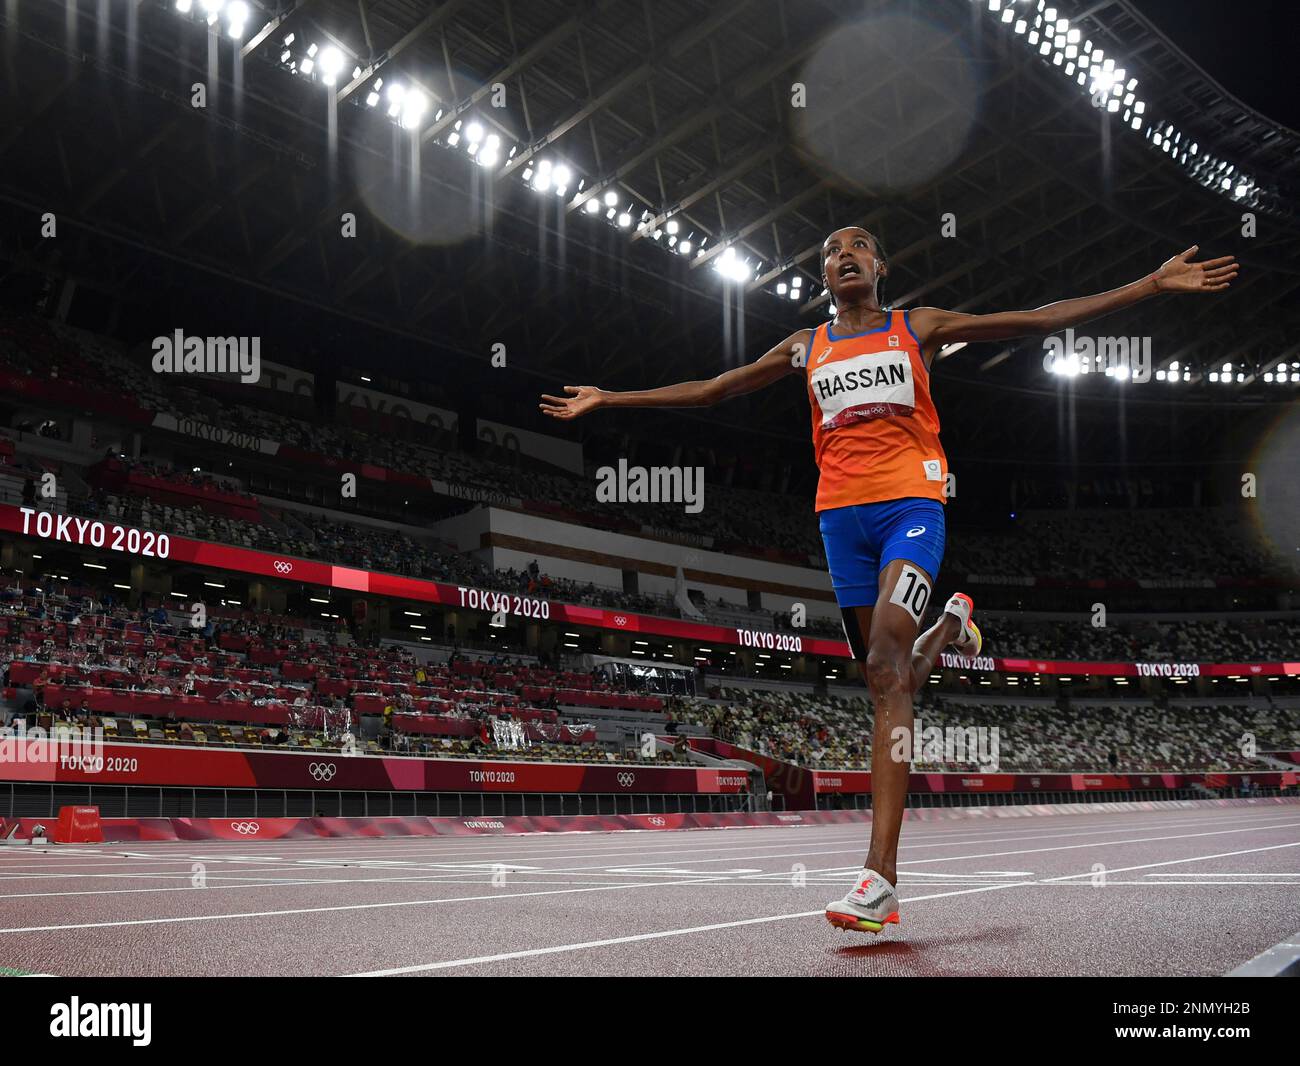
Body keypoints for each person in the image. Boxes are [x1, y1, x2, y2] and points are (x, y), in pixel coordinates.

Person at [540, 226, 1237, 934]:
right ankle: (952, 622)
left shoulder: (920, 327)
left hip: (912, 507)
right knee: (888, 678)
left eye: (859, 245)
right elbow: (714, 391)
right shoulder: (804, 346)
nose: (844, 253)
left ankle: (880, 878)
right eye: (829, 250)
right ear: (823, 275)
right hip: (841, 524)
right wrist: (612, 398)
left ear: (880, 266)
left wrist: (1149, 284)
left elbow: (1038, 319)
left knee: (883, 663)